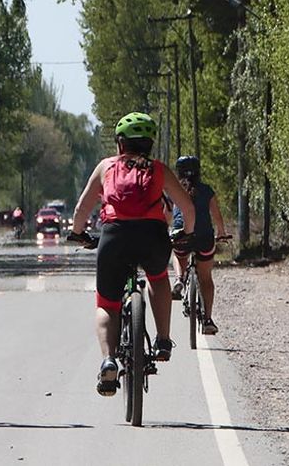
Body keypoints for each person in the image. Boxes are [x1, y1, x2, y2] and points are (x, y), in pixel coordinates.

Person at [67, 112, 194, 396]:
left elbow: (81, 209)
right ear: (149, 144)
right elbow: (187, 208)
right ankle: (162, 340)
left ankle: (109, 359)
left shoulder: (106, 167)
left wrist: (78, 233)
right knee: (159, 277)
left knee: (107, 304)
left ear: (120, 143)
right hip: (152, 236)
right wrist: (185, 233)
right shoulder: (159, 170)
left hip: (114, 237)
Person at [169, 155, 226, 335]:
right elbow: (216, 215)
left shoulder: (174, 190)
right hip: (204, 237)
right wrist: (221, 233)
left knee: (178, 254)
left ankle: (179, 279)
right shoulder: (206, 190)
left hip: (182, 235)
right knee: (206, 277)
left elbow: (168, 214)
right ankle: (208, 319)